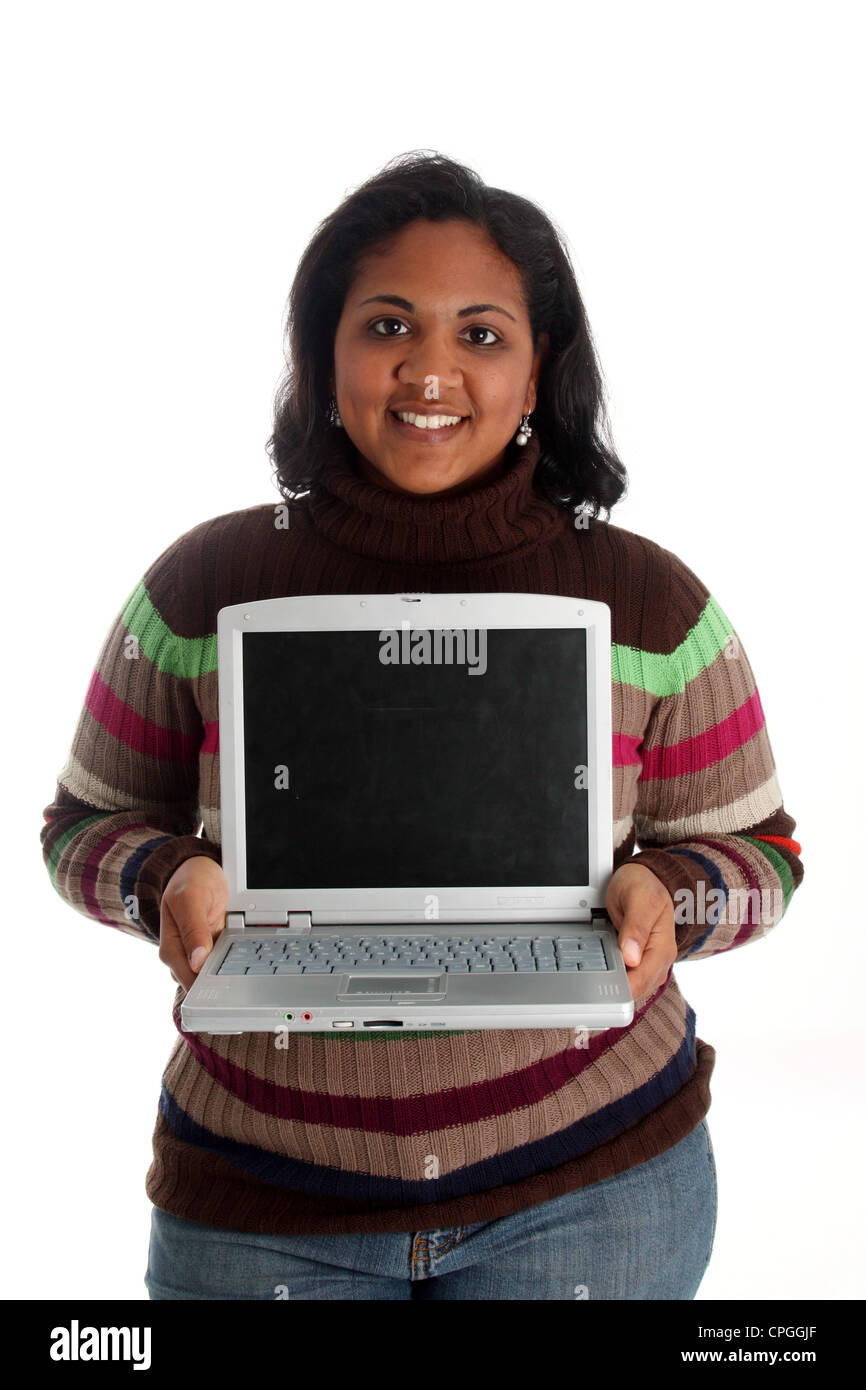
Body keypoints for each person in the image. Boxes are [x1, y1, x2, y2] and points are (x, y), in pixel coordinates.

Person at [41, 151, 803, 1301]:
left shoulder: (653, 603)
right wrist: (167, 882)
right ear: (323, 354)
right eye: (387, 324)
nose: (430, 370)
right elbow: (79, 825)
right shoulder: (204, 584)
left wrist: (670, 901)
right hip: (262, 1207)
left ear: (540, 369)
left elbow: (766, 860)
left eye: (481, 335)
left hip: (591, 1193)